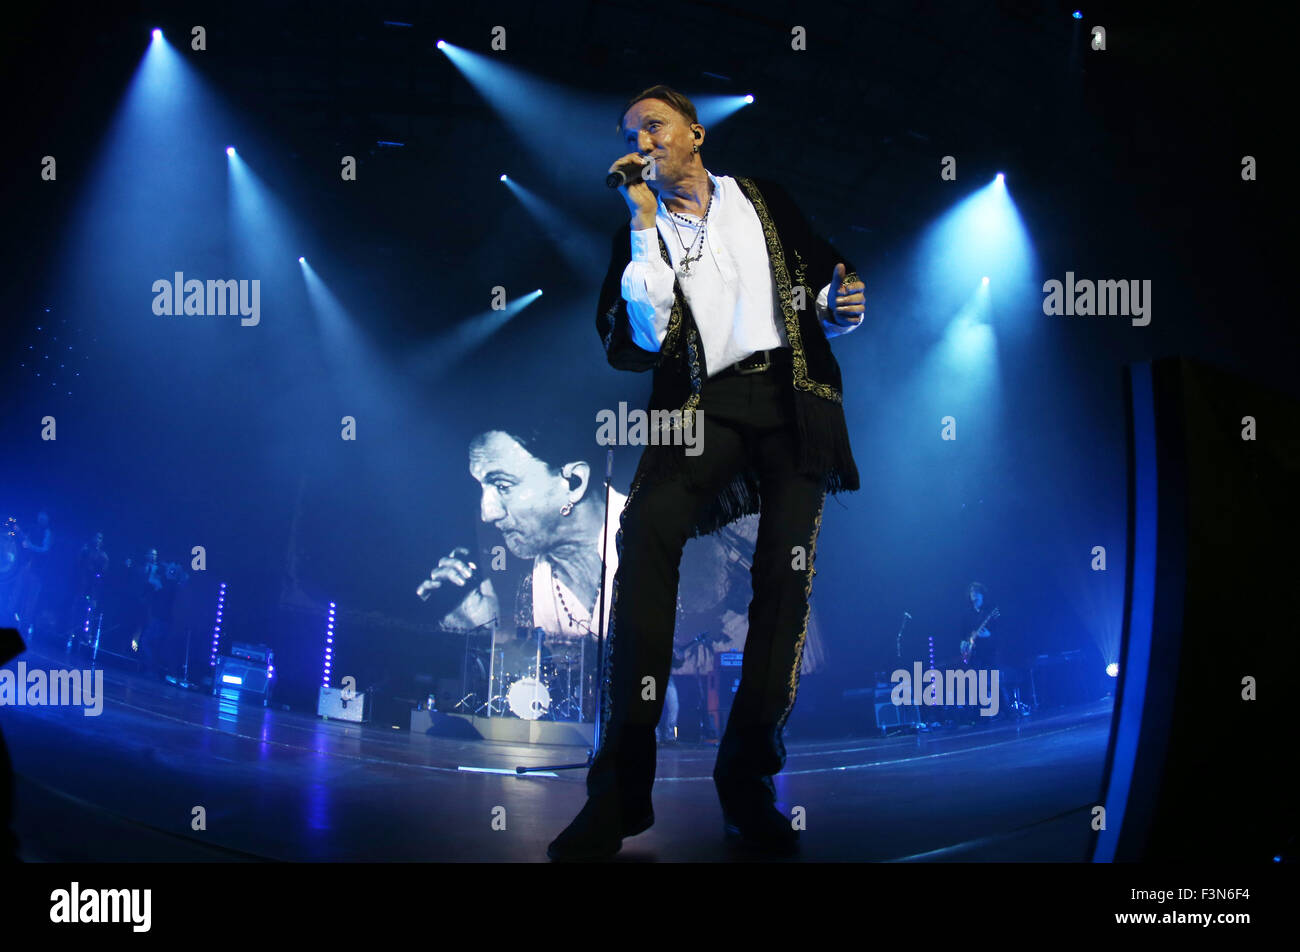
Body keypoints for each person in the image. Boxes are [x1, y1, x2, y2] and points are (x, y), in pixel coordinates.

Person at [548, 85, 866, 860]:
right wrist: (643, 222)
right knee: (646, 534)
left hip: (792, 401)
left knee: (786, 582)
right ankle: (619, 793)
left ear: (694, 132)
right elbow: (645, 339)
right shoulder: (639, 229)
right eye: (629, 135)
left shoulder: (764, 199)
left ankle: (748, 781)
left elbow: (825, 273)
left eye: (652, 126)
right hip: (698, 405)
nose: (641, 141)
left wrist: (836, 299)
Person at [421, 422, 626, 716]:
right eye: (483, 488)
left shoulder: (651, 540)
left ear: (574, 482)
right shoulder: (514, 577)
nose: (487, 512)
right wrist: (478, 623)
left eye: (502, 486)